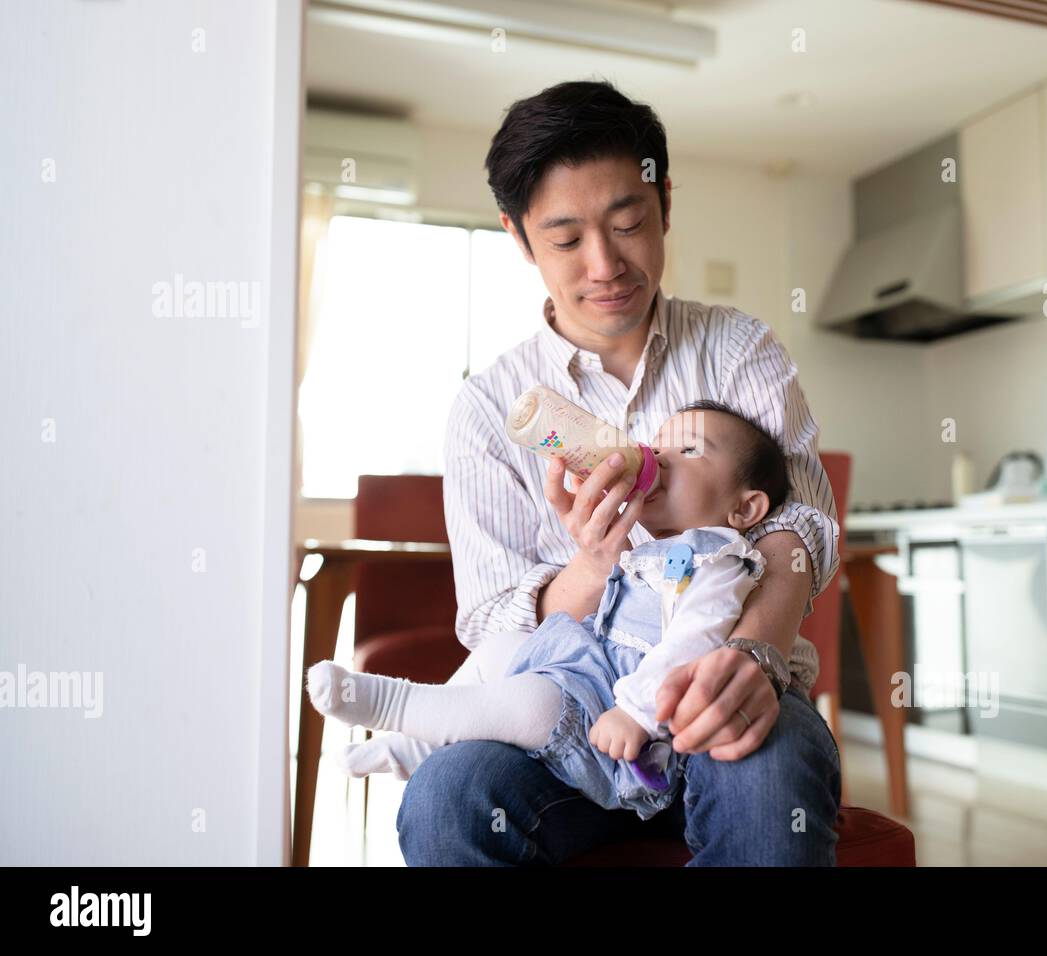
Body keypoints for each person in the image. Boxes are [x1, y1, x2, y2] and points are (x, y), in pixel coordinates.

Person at [386, 78, 841, 865]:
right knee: (445, 799)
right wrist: (593, 565)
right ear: (518, 236)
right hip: (565, 728)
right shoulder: (491, 409)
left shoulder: (738, 351)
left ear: (665, 203)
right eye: (566, 240)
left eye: (628, 222)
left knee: (760, 778)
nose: (606, 265)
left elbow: (803, 527)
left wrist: (754, 653)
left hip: (727, 691)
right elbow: (495, 621)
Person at [308, 402, 797, 821]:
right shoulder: (650, 551)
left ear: (746, 508)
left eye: (690, 451)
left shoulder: (720, 562)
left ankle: (396, 705)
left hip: (624, 732)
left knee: (536, 702)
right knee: (503, 647)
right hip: (588, 676)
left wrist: (637, 714)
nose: (660, 461)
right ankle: (417, 745)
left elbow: (694, 643)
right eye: (659, 447)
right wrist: (594, 562)